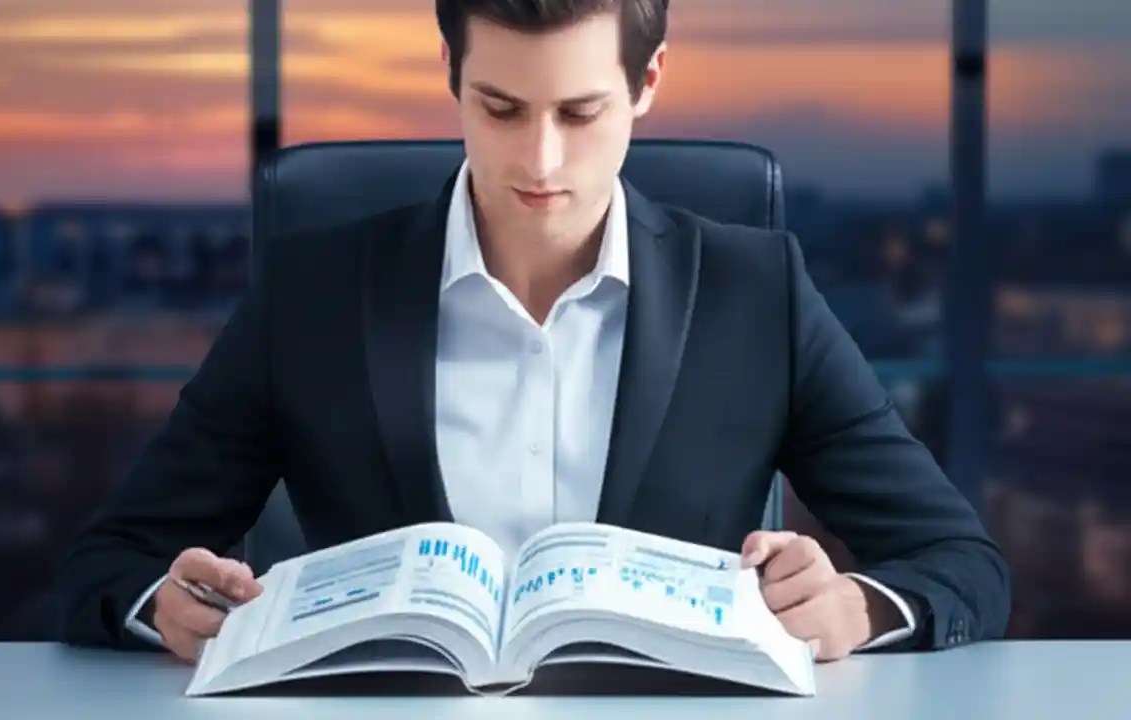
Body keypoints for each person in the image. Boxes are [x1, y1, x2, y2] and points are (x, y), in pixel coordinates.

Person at [54, 0, 1010, 665]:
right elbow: (109, 562)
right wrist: (163, 607)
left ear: (648, 81)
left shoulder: (759, 295)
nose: (540, 161)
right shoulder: (312, 294)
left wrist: (857, 607)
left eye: (580, 112)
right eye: (500, 108)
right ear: (450, 74)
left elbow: (962, 563)